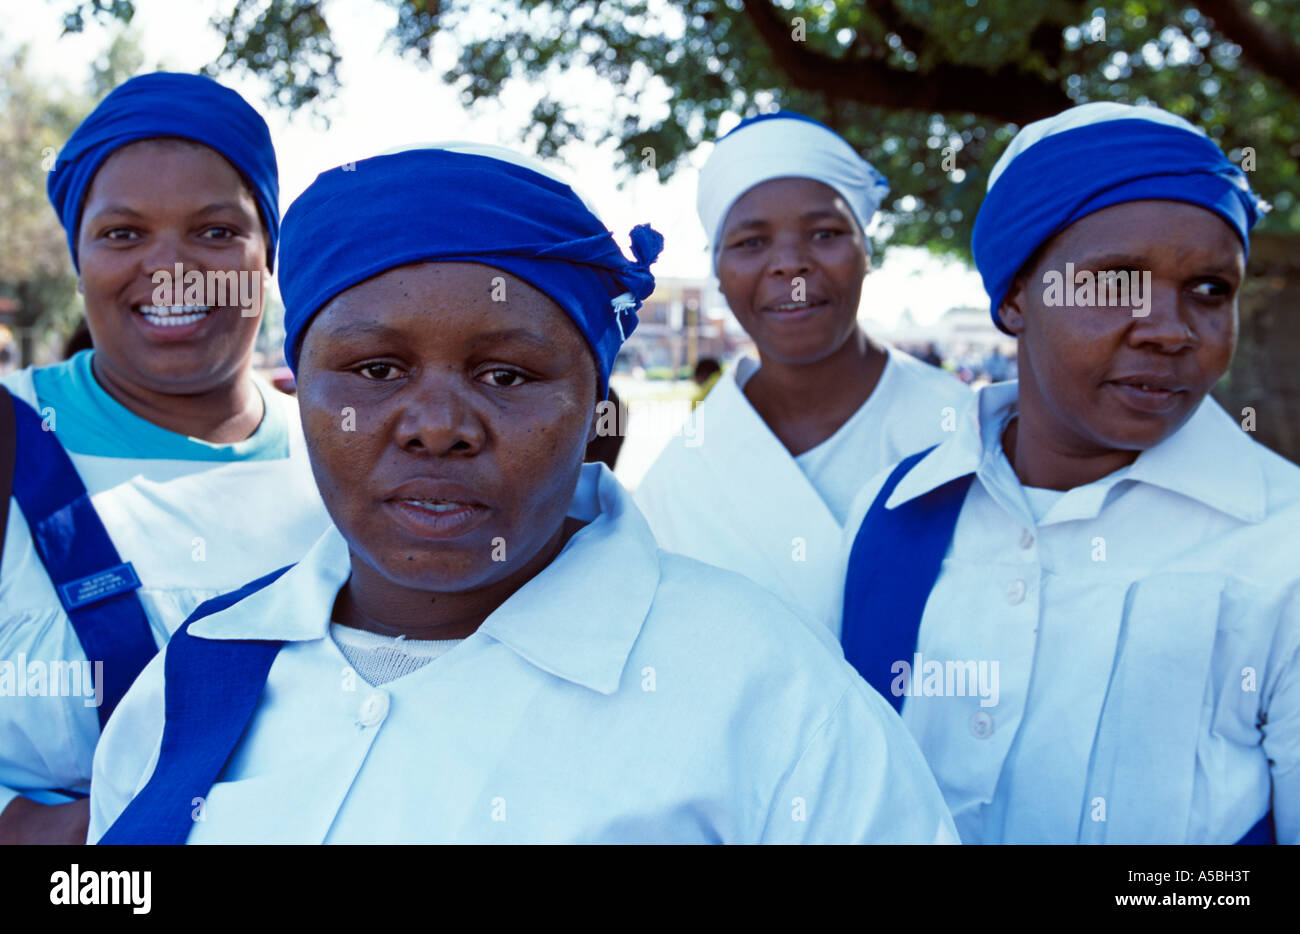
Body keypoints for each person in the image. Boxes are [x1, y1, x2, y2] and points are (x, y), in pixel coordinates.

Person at [87, 143, 957, 845]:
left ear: (593, 416)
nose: (435, 425)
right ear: (299, 392)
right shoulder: (199, 670)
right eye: (375, 369)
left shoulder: (773, 699)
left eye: (507, 373)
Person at [838, 102, 1299, 844]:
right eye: (1115, 282)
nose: (1170, 329)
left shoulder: (1282, 544)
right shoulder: (889, 512)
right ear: (1015, 297)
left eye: (1211, 289)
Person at [0, 72, 329, 844]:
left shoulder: (344, 457)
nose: (173, 268)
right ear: (78, 258)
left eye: (216, 232)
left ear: (267, 253)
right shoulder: (15, 436)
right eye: (123, 234)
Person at [635, 113, 971, 630]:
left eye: (824, 233)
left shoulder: (967, 431)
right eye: (751, 242)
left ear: (866, 253)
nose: (789, 263)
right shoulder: (679, 480)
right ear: (718, 275)